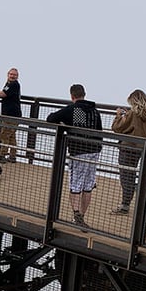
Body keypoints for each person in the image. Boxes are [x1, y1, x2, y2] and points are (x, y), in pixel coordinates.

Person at [47, 84, 103, 229]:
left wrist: (64, 124)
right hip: (95, 150)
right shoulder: (95, 111)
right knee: (88, 184)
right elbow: (98, 130)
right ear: (84, 94)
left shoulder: (73, 109)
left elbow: (51, 118)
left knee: (76, 184)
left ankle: (77, 214)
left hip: (79, 151)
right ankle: (81, 217)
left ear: (72, 96)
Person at [110, 89, 146, 214]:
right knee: (132, 174)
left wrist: (119, 115)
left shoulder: (132, 113)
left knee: (126, 177)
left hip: (128, 147)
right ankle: (129, 201)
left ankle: (125, 205)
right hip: (141, 148)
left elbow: (116, 127)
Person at [0, 67, 22, 162]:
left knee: (4, 135)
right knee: (11, 135)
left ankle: (2, 155)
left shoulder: (14, 84)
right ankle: (13, 156)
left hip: (11, 115)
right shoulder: (8, 84)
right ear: (8, 74)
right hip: (10, 114)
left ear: (17, 76)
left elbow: (3, 94)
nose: (12, 76)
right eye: (11, 74)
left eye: (14, 75)